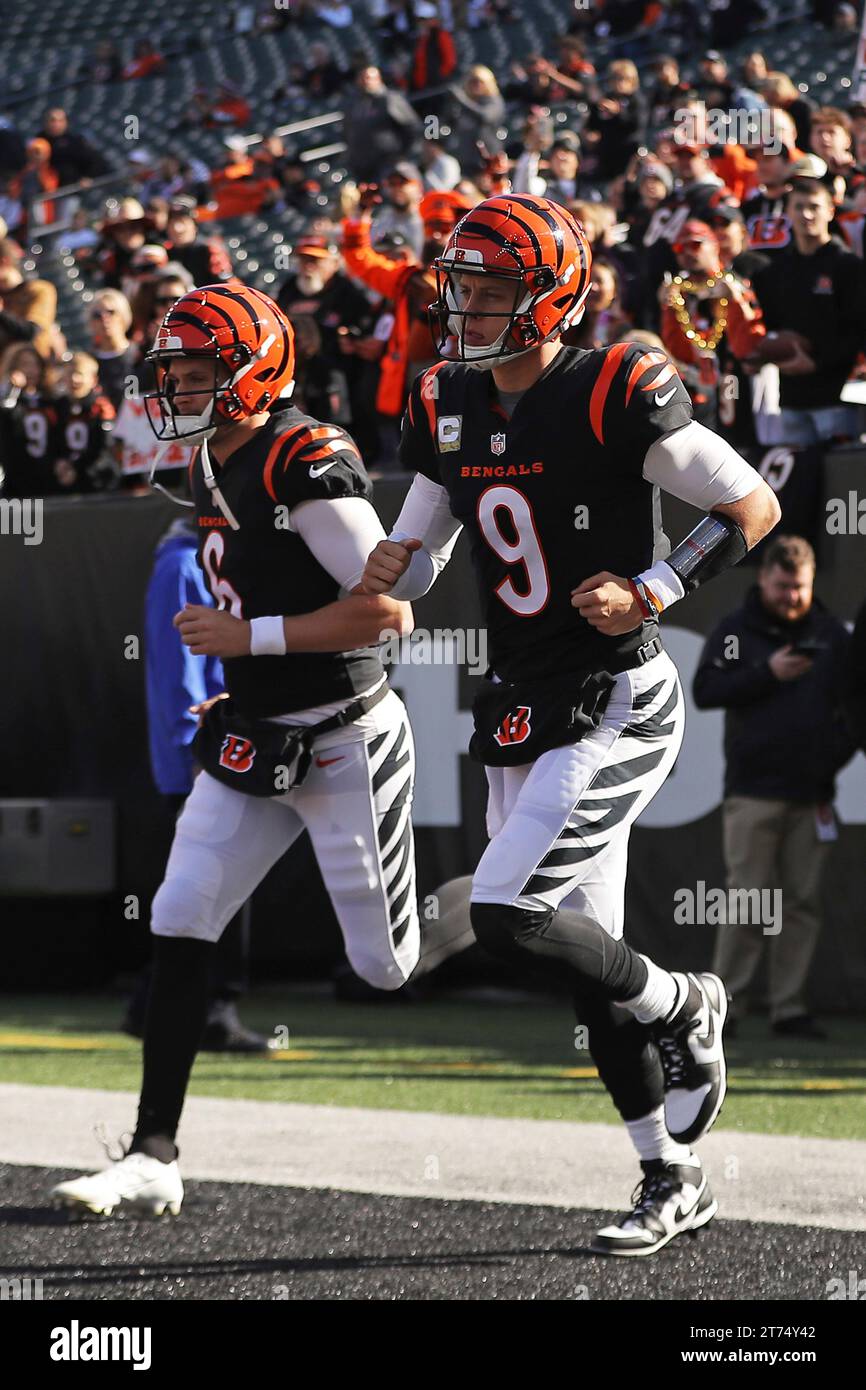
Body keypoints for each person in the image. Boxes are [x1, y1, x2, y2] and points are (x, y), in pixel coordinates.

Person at [362, 194, 780, 1256]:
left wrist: (651, 585)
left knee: (504, 912)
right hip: (523, 702)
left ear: (551, 294)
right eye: (462, 287)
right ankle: (667, 1175)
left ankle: (687, 1000)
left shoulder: (609, 386)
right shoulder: (446, 395)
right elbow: (436, 526)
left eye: (493, 289)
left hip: (615, 700)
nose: (468, 308)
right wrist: (390, 566)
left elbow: (750, 511)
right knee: (578, 958)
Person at [51, 284, 472, 1218]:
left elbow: (386, 610)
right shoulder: (212, 454)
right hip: (254, 735)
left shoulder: (304, 457)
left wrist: (253, 640)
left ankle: (497, 900)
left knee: (385, 969)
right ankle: (153, 1151)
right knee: (180, 915)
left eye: (200, 373)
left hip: (342, 733)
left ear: (255, 372)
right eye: (175, 373)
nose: (181, 390)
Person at [693, 535, 854, 1038]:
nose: (790, 596)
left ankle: (789, 1008)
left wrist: (833, 756)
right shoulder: (736, 631)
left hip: (813, 794)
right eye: (782, 586)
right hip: (753, 792)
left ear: (811, 584)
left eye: (799, 587)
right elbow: (705, 690)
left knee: (801, 905)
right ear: (763, 579)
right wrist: (768, 673)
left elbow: (854, 706)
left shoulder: (832, 635)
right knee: (746, 900)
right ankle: (728, 1009)